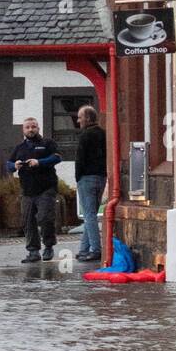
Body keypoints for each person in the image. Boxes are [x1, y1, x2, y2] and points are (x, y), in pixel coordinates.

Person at [7, 117, 62, 263]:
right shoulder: (19, 148)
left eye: (33, 127)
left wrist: (39, 162)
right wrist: (15, 165)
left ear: (38, 128)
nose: (31, 129)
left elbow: (57, 158)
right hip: (27, 190)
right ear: (23, 130)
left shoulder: (47, 143)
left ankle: (49, 246)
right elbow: (8, 164)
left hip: (46, 188)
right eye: (27, 127)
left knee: (45, 218)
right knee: (27, 221)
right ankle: (33, 251)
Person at [74, 105, 107, 262]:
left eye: (80, 117)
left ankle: (95, 249)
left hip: (86, 178)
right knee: (91, 214)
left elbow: (80, 159)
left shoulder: (85, 135)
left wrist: (77, 177)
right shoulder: (103, 133)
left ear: (87, 118)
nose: (78, 120)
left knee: (89, 215)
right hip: (101, 177)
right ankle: (84, 249)